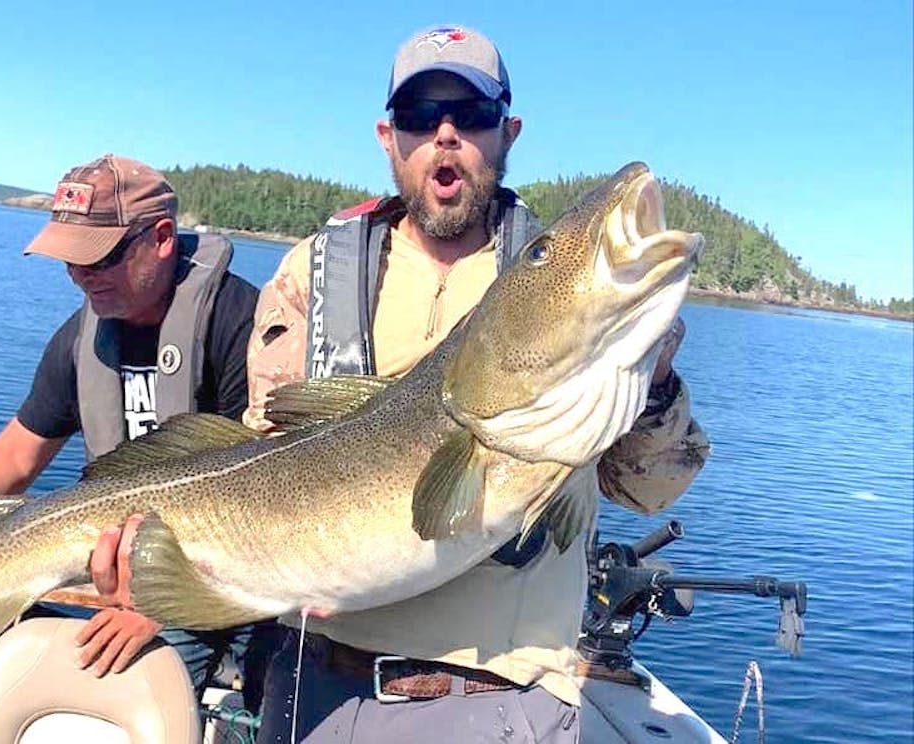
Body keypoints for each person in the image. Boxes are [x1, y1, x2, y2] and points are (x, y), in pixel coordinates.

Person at [86, 25, 708, 742]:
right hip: (314, 687)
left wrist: (653, 383)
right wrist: (163, 573)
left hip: (503, 699)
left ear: (508, 132)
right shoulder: (310, 273)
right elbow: (260, 460)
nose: (445, 135)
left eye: (470, 115)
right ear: (389, 137)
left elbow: (649, 491)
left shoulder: (549, 287)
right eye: (419, 117)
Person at [0, 154, 275, 711]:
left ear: (160, 238)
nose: (81, 277)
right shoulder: (82, 339)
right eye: (69, 261)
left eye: (98, 259)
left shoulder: (242, 324)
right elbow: (15, 455)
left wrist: (157, 608)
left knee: (130, 691)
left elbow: (258, 501)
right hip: (121, 574)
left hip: (226, 569)